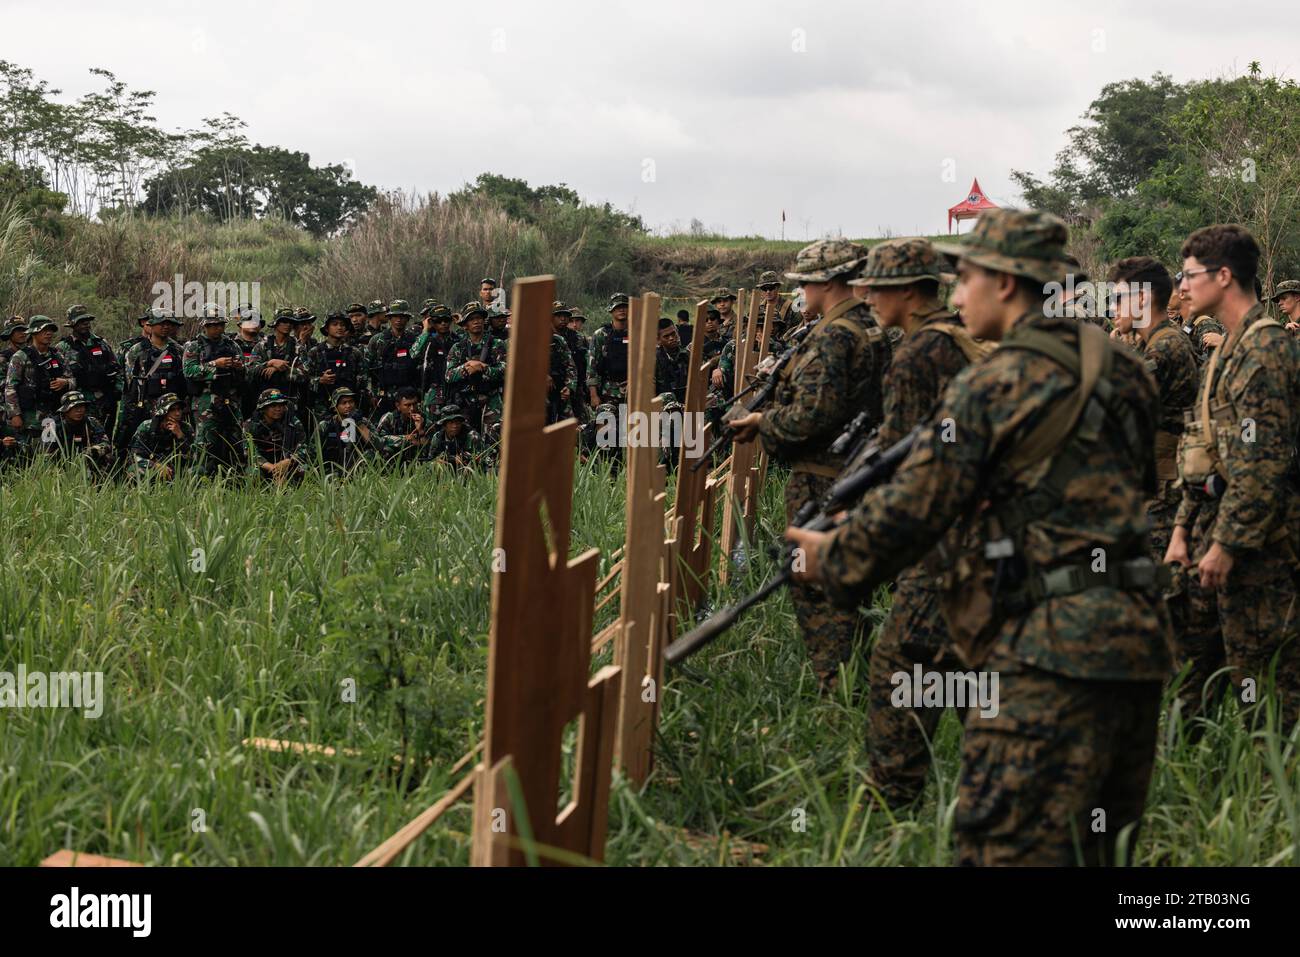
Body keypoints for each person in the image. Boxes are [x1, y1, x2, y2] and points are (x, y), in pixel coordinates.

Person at [788, 209, 1169, 866]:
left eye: (965, 279)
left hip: (1044, 649)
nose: (956, 296)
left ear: (1007, 283)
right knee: (1098, 851)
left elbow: (917, 505)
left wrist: (837, 557)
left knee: (1002, 848)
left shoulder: (992, 384)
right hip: (1135, 645)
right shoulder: (1125, 369)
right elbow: (1132, 485)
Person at [842, 237, 982, 807]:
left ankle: (891, 801)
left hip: (943, 537)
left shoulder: (921, 352)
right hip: (976, 531)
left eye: (876, 287)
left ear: (907, 290)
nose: (867, 297)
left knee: (901, 662)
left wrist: (859, 535)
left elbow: (903, 463)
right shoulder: (959, 339)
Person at [729, 239, 892, 692]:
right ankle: (858, 677)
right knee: (846, 583)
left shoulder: (835, 335)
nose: (801, 291)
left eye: (805, 282)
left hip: (825, 480)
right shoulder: (870, 326)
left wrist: (764, 422)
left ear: (828, 282)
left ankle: (840, 687)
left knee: (816, 586)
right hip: (857, 471)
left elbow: (813, 416)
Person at [1164, 225, 1300, 732]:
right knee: (1190, 676)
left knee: (1264, 688)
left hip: (1258, 547)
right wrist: (1182, 531)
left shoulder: (1264, 350)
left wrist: (1225, 544)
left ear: (1224, 276)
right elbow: (1201, 450)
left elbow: (1262, 466)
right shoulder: (1224, 350)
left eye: (1191, 275)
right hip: (1211, 531)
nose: (1182, 287)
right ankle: (1195, 784)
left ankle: (1267, 792)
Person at [1108, 257, 1198, 715]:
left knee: (1164, 608)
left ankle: (1178, 715)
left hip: (1163, 499)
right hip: (1152, 493)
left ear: (1142, 299)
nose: (1112, 306)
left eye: (1119, 296)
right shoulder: (1152, 344)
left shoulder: (1164, 349)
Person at [183, 308, 247, 476]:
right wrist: (214, 364)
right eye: (213, 325)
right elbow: (189, 371)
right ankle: (199, 477)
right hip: (206, 401)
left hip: (230, 398)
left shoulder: (232, 345)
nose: (217, 328)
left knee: (236, 439)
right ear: (205, 326)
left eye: (220, 325)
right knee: (204, 442)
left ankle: (237, 476)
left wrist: (239, 367)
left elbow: (243, 370)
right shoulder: (194, 346)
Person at [118, 311, 186, 461]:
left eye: (169, 324)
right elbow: (130, 381)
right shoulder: (136, 350)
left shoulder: (178, 350)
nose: (166, 327)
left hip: (171, 407)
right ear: (151, 325)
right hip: (144, 404)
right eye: (162, 324)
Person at [5, 316, 76, 448]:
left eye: (50, 330)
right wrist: (15, 415)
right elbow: (10, 387)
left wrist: (65, 382)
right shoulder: (20, 357)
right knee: (26, 454)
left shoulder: (57, 355)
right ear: (34, 333)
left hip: (52, 416)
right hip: (29, 418)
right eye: (44, 330)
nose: (49, 333)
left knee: (48, 452)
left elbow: (72, 380)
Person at [446, 302, 506, 434]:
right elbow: (449, 375)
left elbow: (506, 370)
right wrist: (466, 368)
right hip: (466, 400)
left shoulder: (497, 344)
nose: (476, 322)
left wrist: (483, 368)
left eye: (479, 318)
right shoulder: (458, 348)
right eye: (472, 319)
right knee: (468, 439)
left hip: (491, 399)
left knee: (494, 438)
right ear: (465, 325)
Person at [57, 305, 121, 428]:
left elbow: (116, 368)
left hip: (105, 399)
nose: (85, 324)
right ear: (73, 324)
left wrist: (116, 392)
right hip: (78, 403)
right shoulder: (63, 347)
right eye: (81, 322)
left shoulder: (101, 343)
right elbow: (60, 378)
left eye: (87, 321)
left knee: (105, 436)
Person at [307, 311, 368, 418]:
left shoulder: (354, 353)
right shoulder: (315, 352)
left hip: (349, 406)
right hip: (323, 407)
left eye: (342, 325)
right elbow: (305, 380)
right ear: (326, 328)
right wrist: (320, 380)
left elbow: (363, 380)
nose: (339, 327)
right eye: (334, 324)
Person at [367, 299, 420, 417]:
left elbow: (420, 368)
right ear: (389, 318)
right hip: (383, 394)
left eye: (402, 316)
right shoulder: (377, 340)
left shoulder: (414, 340)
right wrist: (372, 394)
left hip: (408, 397)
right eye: (395, 316)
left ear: (407, 318)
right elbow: (366, 369)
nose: (399, 320)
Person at [244, 388, 309, 483]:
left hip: (287, 462)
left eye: (281, 405)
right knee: (253, 474)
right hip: (263, 465)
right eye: (273, 405)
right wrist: (274, 468)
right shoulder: (250, 425)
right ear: (263, 407)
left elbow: (303, 446)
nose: (278, 409)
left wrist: (288, 462)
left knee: (305, 470)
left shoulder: (293, 422)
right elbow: (249, 452)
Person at [130, 392, 193, 481]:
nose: (178, 413)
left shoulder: (186, 428)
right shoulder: (147, 427)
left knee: (198, 470)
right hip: (153, 468)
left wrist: (180, 436)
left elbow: (192, 458)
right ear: (163, 412)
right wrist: (156, 466)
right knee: (134, 471)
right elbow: (134, 456)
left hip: (176, 470)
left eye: (179, 409)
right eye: (172, 410)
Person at [315, 386, 378, 474]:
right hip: (332, 473)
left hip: (359, 472)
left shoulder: (363, 422)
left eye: (351, 402)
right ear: (335, 406)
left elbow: (376, 445)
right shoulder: (325, 425)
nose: (348, 406)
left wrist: (359, 424)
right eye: (343, 403)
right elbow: (313, 453)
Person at [50, 390, 114, 475]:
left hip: (87, 460)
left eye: (82, 406)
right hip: (62, 463)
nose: (79, 410)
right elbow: (45, 454)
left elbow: (106, 444)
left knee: (108, 457)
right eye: (75, 407)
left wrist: (90, 452)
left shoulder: (92, 422)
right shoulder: (53, 425)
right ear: (65, 410)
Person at [412, 303, 457, 417]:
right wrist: (425, 330)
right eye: (438, 321)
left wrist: (461, 324)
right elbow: (414, 353)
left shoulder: (457, 340)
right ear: (432, 322)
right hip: (433, 390)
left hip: (454, 390)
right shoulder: (428, 340)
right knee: (431, 426)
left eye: (446, 320)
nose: (443, 323)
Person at [374, 386, 431, 465]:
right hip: (394, 459)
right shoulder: (389, 418)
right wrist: (406, 439)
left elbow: (429, 450)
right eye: (407, 405)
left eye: (414, 404)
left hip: (416, 460)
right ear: (398, 406)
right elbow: (378, 440)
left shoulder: (424, 419)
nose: (412, 408)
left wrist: (420, 430)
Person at [427, 405, 483, 470]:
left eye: (458, 422)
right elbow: (431, 458)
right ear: (444, 425)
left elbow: (480, 459)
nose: (455, 426)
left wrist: (465, 459)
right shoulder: (437, 437)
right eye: (451, 423)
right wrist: (440, 460)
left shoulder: (472, 436)